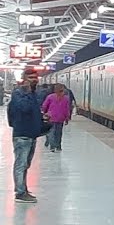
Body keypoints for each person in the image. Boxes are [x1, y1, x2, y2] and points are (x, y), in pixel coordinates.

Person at [7, 67, 45, 202]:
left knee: (26, 165)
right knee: (21, 164)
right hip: (22, 134)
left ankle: (23, 189)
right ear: (24, 79)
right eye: (31, 78)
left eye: (35, 78)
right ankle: (20, 193)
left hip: (31, 134)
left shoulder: (34, 93)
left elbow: (33, 111)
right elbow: (24, 108)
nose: (34, 80)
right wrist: (28, 92)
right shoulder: (19, 93)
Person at [42, 83, 72, 153]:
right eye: (62, 91)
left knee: (52, 132)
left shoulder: (50, 97)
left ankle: (53, 146)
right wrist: (67, 118)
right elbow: (67, 109)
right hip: (59, 118)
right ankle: (58, 146)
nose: (63, 92)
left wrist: (44, 113)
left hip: (51, 117)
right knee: (58, 133)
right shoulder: (66, 98)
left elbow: (44, 106)